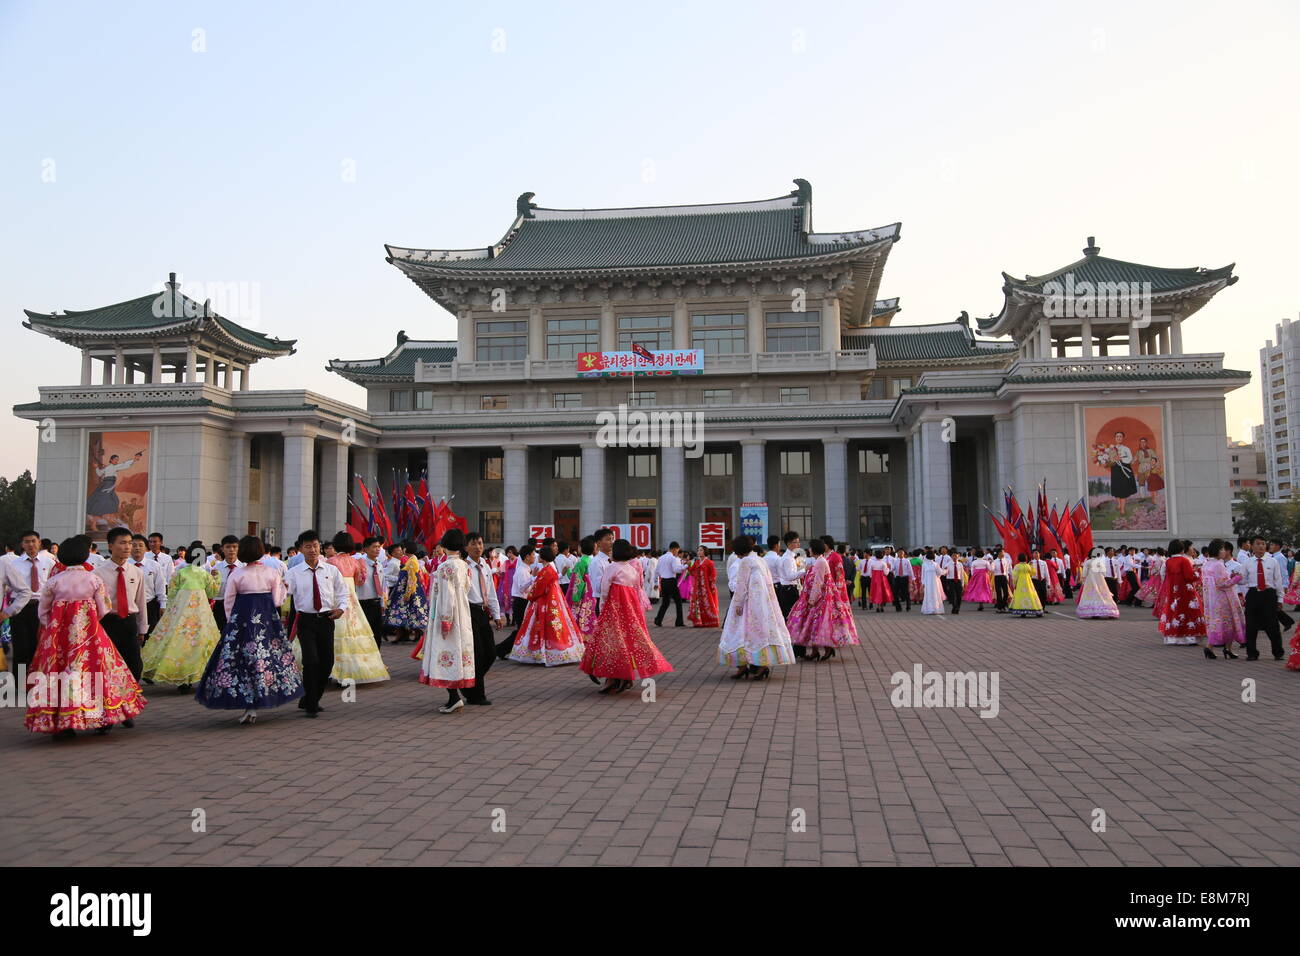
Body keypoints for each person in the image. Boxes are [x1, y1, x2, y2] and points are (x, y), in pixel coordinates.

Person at [24, 536, 147, 738]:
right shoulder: (94, 579)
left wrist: (53, 627)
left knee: (59, 674)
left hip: (59, 638)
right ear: (85, 556)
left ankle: (63, 721)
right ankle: (101, 715)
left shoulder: (54, 581)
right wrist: (89, 619)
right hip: (90, 635)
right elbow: (104, 608)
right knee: (98, 672)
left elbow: (43, 611)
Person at [196, 535, 304, 724]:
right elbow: (278, 601)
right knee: (267, 658)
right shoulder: (271, 572)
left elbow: (228, 602)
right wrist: (284, 589)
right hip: (266, 622)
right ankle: (265, 694)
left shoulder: (237, 574)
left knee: (240, 660)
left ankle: (248, 702)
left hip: (241, 621)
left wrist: (232, 623)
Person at [581, 538, 673, 694]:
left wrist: (602, 607)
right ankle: (625, 677)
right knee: (629, 642)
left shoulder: (612, 567)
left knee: (609, 642)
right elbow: (637, 589)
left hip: (614, 610)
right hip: (630, 611)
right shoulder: (632, 569)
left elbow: (604, 589)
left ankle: (612, 677)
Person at [280, 531, 345, 718]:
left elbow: (342, 592)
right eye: (308, 546)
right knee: (311, 661)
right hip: (305, 620)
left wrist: (341, 608)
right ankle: (311, 704)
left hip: (327, 619)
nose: (312, 550)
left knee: (327, 662)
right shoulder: (293, 573)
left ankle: (311, 697)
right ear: (300, 549)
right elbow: (282, 594)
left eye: (315, 545)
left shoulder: (331, 570)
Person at [141, 545, 222, 692]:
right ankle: (198, 675)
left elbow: (172, 593)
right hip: (200, 611)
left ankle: (180, 677)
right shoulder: (204, 574)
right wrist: (217, 577)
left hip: (180, 609)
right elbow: (212, 592)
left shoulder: (179, 573)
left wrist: (170, 611)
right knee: (201, 639)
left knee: (178, 639)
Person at [718, 535, 795, 681]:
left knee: (739, 632)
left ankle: (742, 666)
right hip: (763, 603)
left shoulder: (745, 562)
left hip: (748, 603)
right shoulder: (760, 559)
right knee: (761, 633)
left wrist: (738, 604)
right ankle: (760, 665)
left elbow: (741, 585)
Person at [420, 528, 478, 713]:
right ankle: (454, 696)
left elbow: (447, 595)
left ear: (444, 545)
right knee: (459, 652)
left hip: (448, 615)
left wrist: (445, 619)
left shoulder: (445, 567)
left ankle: (453, 697)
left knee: (446, 652)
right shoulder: (464, 565)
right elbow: (466, 589)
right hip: (463, 612)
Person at [326, 532, 390, 685]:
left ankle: (333, 670)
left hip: (335, 598)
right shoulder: (355, 562)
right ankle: (358, 669)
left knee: (335, 633)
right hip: (352, 600)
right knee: (357, 631)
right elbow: (360, 581)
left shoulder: (331, 561)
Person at [506, 545, 585, 666]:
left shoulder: (545, 570)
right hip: (552, 600)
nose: (536, 556)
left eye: (539, 555)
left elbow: (538, 588)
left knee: (543, 625)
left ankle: (544, 652)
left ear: (543, 557)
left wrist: (531, 596)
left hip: (544, 601)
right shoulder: (548, 569)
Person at [787, 538, 860, 662]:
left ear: (814, 549)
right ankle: (817, 650)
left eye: (810, 548)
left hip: (820, 599)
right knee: (814, 624)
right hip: (815, 598)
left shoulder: (821, 562)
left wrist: (811, 600)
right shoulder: (819, 561)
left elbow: (818, 582)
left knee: (819, 623)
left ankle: (826, 649)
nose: (808, 549)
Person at [94, 527, 148, 688]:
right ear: (110, 546)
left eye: (130, 543)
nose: (127, 547)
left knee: (134, 666)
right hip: (107, 622)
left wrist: (143, 628)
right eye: (122, 543)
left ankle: (128, 698)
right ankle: (112, 700)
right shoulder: (98, 574)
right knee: (108, 664)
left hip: (129, 622)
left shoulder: (136, 572)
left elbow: (140, 602)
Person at [0, 530, 48, 677]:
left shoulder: (50, 562)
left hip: (40, 607)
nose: (31, 544)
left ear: (39, 542)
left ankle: (36, 682)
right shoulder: (13, 563)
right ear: (22, 544)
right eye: (27, 542)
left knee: (38, 645)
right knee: (21, 647)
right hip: (19, 608)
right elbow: (7, 587)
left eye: (33, 541)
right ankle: (20, 683)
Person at [1238, 536, 1287, 661]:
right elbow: (1242, 580)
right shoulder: (1247, 562)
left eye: (1263, 544)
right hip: (1253, 594)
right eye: (1258, 544)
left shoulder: (1273, 561)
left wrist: (1280, 599)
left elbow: (1278, 581)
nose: (1261, 546)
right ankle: (1252, 653)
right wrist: (1236, 577)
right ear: (1252, 546)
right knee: (1251, 625)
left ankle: (1278, 652)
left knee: (1273, 625)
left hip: (1269, 594)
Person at [1155, 539, 1206, 647]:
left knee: (1174, 612)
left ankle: (1174, 637)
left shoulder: (1168, 561)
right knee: (1189, 612)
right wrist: (1198, 572)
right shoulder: (1184, 560)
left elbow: (1164, 575)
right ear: (1182, 549)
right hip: (1186, 591)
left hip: (1173, 591)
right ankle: (1189, 637)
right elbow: (1189, 577)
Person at [1201, 539, 1245, 660]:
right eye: (1222, 549)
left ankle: (1210, 647)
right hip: (1223, 598)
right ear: (1218, 550)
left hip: (1211, 599)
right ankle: (1227, 648)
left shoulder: (1206, 564)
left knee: (1216, 623)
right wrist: (1237, 578)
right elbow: (1222, 584)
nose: (1224, 551)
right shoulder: (1218, 564)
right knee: (1229, 622)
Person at [496, 544, 537, 659]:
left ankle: (501, 650)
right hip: (520, 602)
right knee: (520, 630)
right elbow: (522, 588)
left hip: (522, 601)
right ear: (527, 556)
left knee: (521, 630)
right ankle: (500, 649)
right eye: (533, 554)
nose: (535, 557)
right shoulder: (522, 570)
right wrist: (533, 578)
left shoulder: (526, 569)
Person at [384, 541, 429, 644]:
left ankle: (415, 633)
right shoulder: (411, 560)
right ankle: (406, 633)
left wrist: (408, 593)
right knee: (407, 612)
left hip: (409, 591)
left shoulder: (412, 561)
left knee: (410, 612)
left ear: (406, 550)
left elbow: (412, 579)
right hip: (404, 590)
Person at [355, 536, 391, 649]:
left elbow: (383, 584)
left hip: (376, 603)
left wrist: (383, 603)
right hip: (362, 603)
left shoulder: (379, 564)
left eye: (378, 547)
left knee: (376, 634)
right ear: (365, 549)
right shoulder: (358, 564)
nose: (377, 549)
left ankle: (377, 660)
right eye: (374, 547)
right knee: (364, 634)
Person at [568, 536, 600, 636]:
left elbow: (577, 581)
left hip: (583, 593)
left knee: (581, 615)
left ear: (580, 548)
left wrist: (576, 598)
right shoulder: (593, 560)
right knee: (591, 614)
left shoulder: (581, 562)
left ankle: (581, 636)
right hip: (592, 592)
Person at [1076, 548, 1119, 619]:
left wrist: (1083, 580)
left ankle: (1094, 613)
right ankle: (1109, 612)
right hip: (1100, 580)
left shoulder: (1088, 562)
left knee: (1092, 595)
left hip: (1090, 580)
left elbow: (1084, 573)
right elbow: (1104, 573)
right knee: (1104, 594)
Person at [653, 542, 688, 627]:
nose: (677, 552)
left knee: (665, 602)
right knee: (678, 602)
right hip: (671, 581)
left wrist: (655, 582)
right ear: (674, 549)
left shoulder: (661, 558)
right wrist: (686, 566)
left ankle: (658, 619)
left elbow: (656, 571)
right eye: (677, 550)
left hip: (663, 581)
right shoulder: (673, 558)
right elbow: (676, 569)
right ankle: (679, 622)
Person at [686, 546, 720, 627]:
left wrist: (712, 586)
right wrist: (688, 565)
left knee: (707, 603)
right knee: (698, 603)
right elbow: (692, 572)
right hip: (697, 587)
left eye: (701, 550)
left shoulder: (709, 562)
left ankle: (710, 621)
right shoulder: (697, 562)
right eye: (698, 550)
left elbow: (713, 575)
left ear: (705, 552)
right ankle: (699, 621)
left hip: (706, 587)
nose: (699, 552)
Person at [865, 549, 893, 613]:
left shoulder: (872, 563)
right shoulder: (883, 563)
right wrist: (888, 568)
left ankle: (877, 606)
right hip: (882, 579)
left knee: (876, 592)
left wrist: (872, 577)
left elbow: (869, 573)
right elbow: (886, 573)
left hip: (874, 579)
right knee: (882, 592)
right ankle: (881, 607)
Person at [919, 549, 945, 615]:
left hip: (927, 582)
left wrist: (923, 583)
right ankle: (935, 608)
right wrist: (946, 571)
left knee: (928, 594)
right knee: (935, 594)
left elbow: (923, 575)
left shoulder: (925, 564)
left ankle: (929, 609)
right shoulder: (935, 564)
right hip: (934, 582)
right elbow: (940, 573)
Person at [992, 547, 1011, 613]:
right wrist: (992, 567)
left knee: (1006, 593)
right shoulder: (994, 561)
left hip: (1004, 577)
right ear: (999, 553)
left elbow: (1008, 570)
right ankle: (1000, 608)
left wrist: (1008, 578)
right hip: (997, 577)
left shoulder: (1006, 560)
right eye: (1003, 552)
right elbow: (992, 569)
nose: (1004, 553)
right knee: (999, 593)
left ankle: (1003, 605)